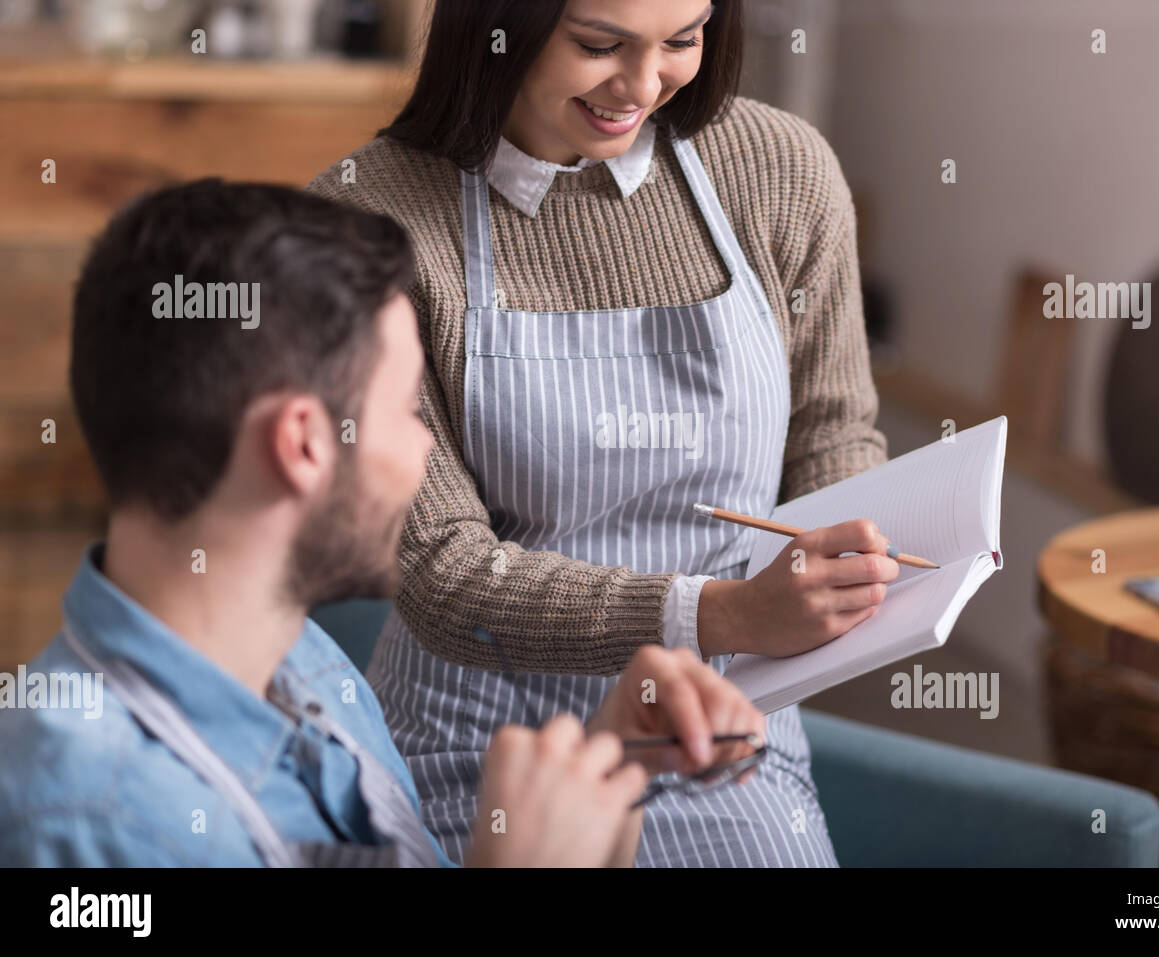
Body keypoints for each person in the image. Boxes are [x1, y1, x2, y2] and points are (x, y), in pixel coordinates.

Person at [0, 179, 765, 867]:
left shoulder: (304, 660)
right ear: (302, 443)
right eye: (405, 410)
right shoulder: (90, 819)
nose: (424, 447)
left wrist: (608, 770)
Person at [305, 0, 898, 867]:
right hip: (480, 743)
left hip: (718, 733)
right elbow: (441, 571)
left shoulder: (778, 169)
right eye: (598, 44)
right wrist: (722, 612)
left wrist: (859, 544)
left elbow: (833, 425)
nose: (643, 83)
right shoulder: (366, 220)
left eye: (683, 40)